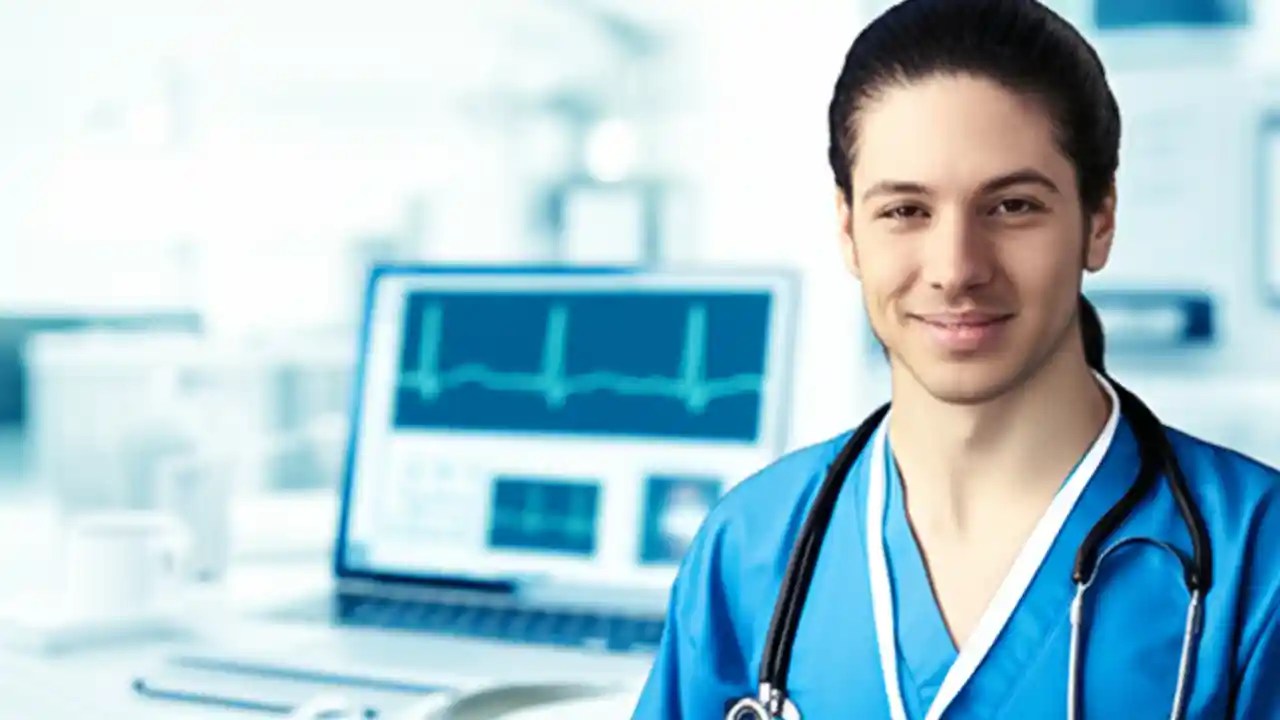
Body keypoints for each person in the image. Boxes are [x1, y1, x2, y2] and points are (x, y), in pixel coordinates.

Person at [632, 0, 1280, 718]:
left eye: (1011, 207)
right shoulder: (751, 548)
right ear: (849, 232)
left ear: (1099, 220)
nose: (956, 268)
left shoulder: (1257, 561)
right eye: (905, 211)